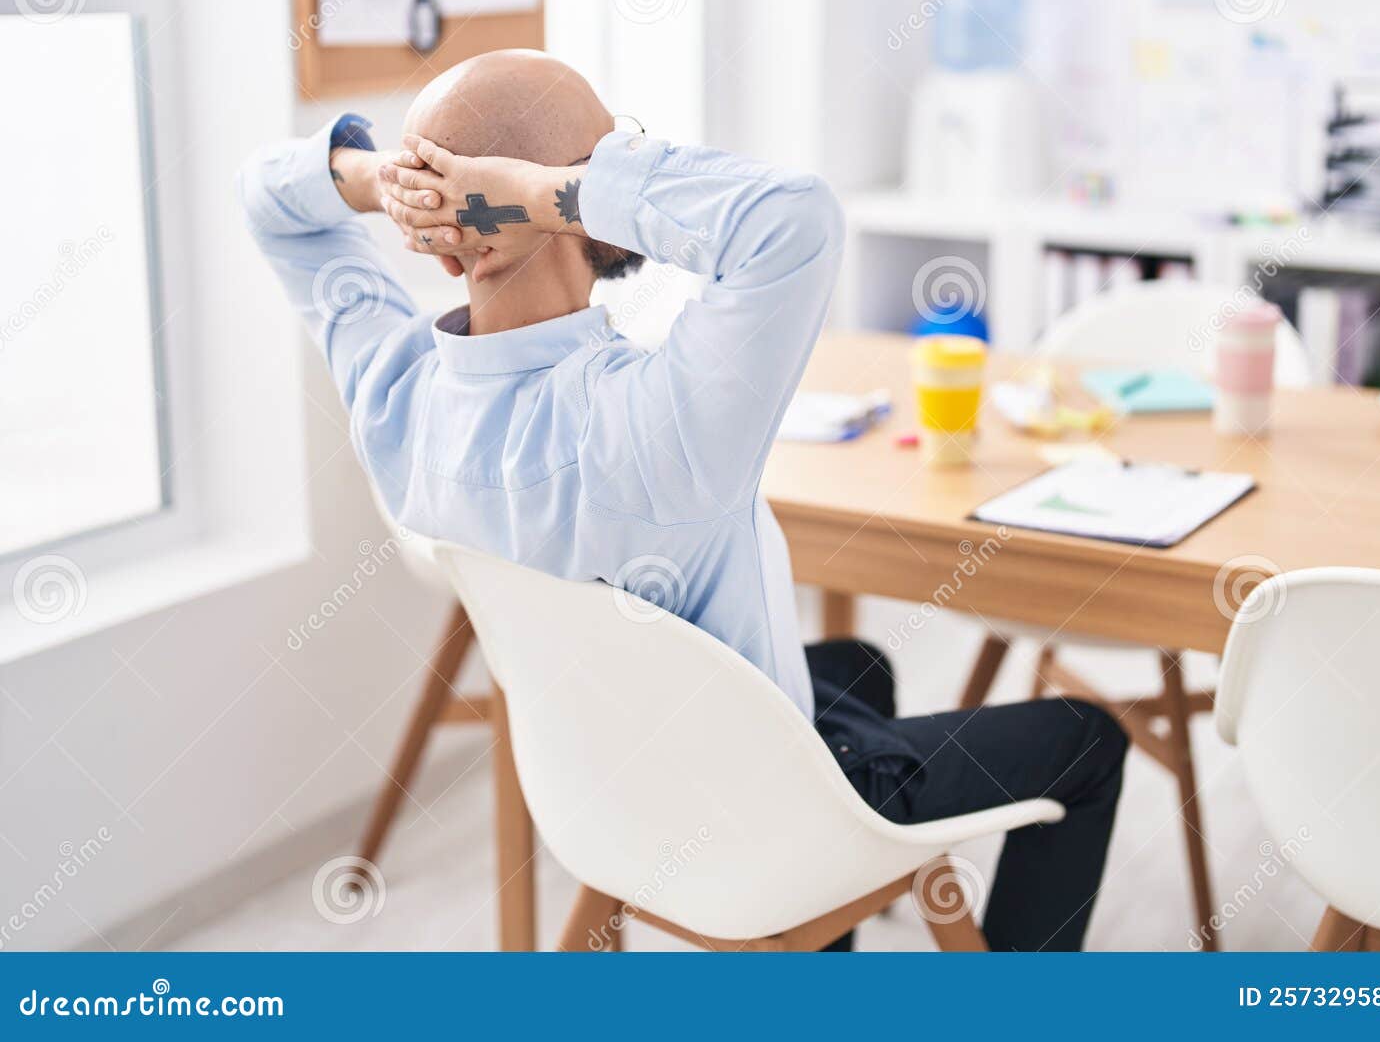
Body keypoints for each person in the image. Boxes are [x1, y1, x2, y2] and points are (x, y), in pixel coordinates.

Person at [238, 49, 1126, 950]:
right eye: (592, 161)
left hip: (608, 811)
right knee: (1091, 739)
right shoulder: (657, 421)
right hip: (763, 832)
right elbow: (794, 219)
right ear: (522, 200)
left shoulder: (399, 405)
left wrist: (385, 181)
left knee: (857, 664)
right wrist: (554, 193)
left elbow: (269, 200)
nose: (616, 167)